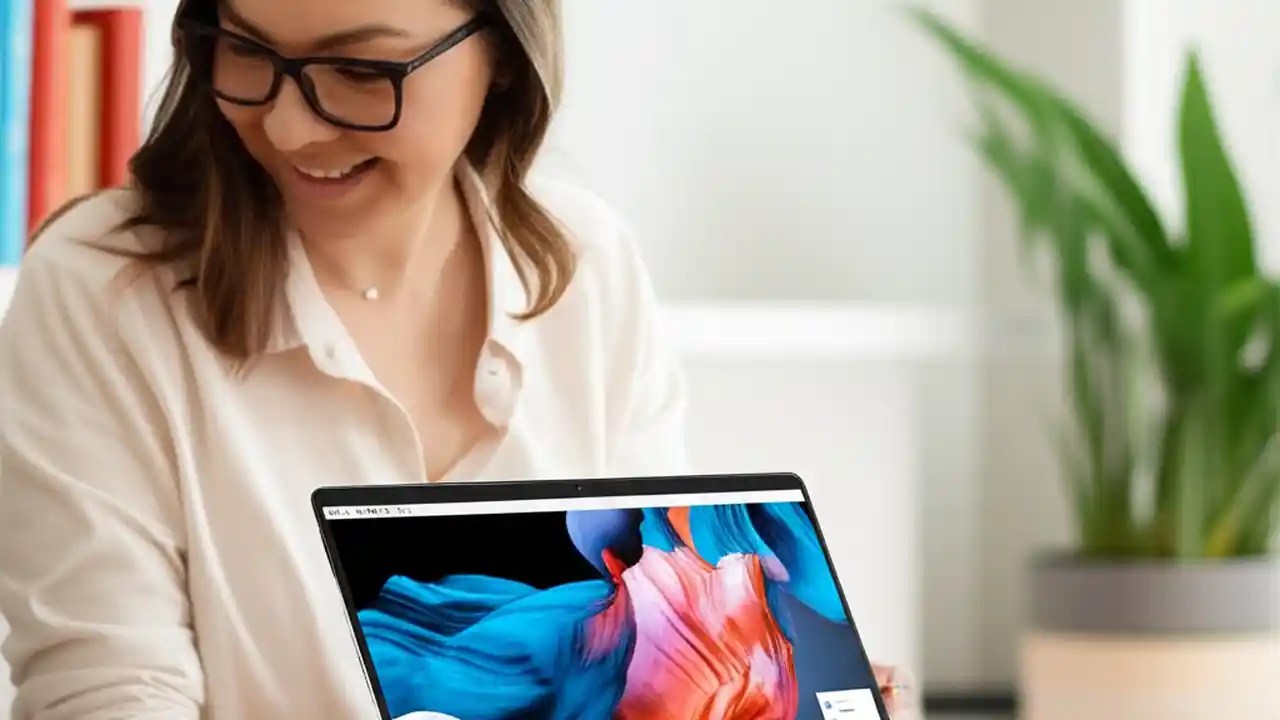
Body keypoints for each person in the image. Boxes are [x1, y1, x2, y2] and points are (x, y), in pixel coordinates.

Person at [0, 0, 913, 717]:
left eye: (360, 69)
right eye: (243, 50)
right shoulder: (104, 287)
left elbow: (651, 633)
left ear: (504, 53)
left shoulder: (586, 266)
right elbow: (105, 693)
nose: (287, 126)